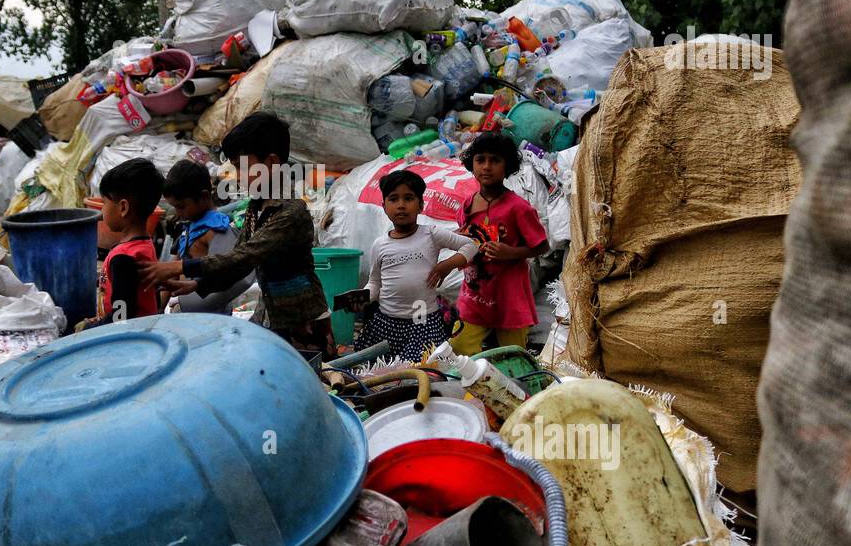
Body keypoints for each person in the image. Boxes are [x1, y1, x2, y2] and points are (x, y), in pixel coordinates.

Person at [142, 112, 335, 357]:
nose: (238, 176)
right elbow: (237, 265)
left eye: (241, 167)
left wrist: (180, 266)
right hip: (272, 318)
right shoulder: (256, 206)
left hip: (305, 326)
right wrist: (197, 285)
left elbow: (244, 257)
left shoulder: (290, 213)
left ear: (271, 163)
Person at [350, 169, 481, 362]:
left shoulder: (431, 234)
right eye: (393, 199)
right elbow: (375, 283)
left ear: (420, 205)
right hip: (387, 321)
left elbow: (470, 245)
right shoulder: (380, 244)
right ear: (384, 206)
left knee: (418, 366)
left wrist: (447, 265)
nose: (401, 205)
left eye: (408, 198)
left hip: (423, 321)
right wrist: (362, 298)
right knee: (375, 367)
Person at [448, 132, 549, 355]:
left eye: (495, 160)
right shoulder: (468, 203)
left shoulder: (518, 208)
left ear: (507, 166)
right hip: (475, 294)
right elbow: (467, 235)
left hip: (509, 296)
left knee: (512, 356)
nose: (486, 166)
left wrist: (510, 252)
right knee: (460, 349)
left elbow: (542, 246)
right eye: (480, 159)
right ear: (471, 164)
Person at [78, 157, 163, 330]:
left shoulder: (123, 258)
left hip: (127, 340)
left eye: (105, 203)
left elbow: (122, 316)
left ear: (123, 207)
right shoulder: (145, 246)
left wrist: (90, 327)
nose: (102, 210)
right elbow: (153, 298)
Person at [162, 159, 253, 314]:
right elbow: (171, 272)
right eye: (175, 207)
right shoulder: (188, 228)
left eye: (182, 206)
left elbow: (226, 276)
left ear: (204, 196)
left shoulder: (216, 230)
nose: (178, 213)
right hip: (184, 310)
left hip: (209, 314)